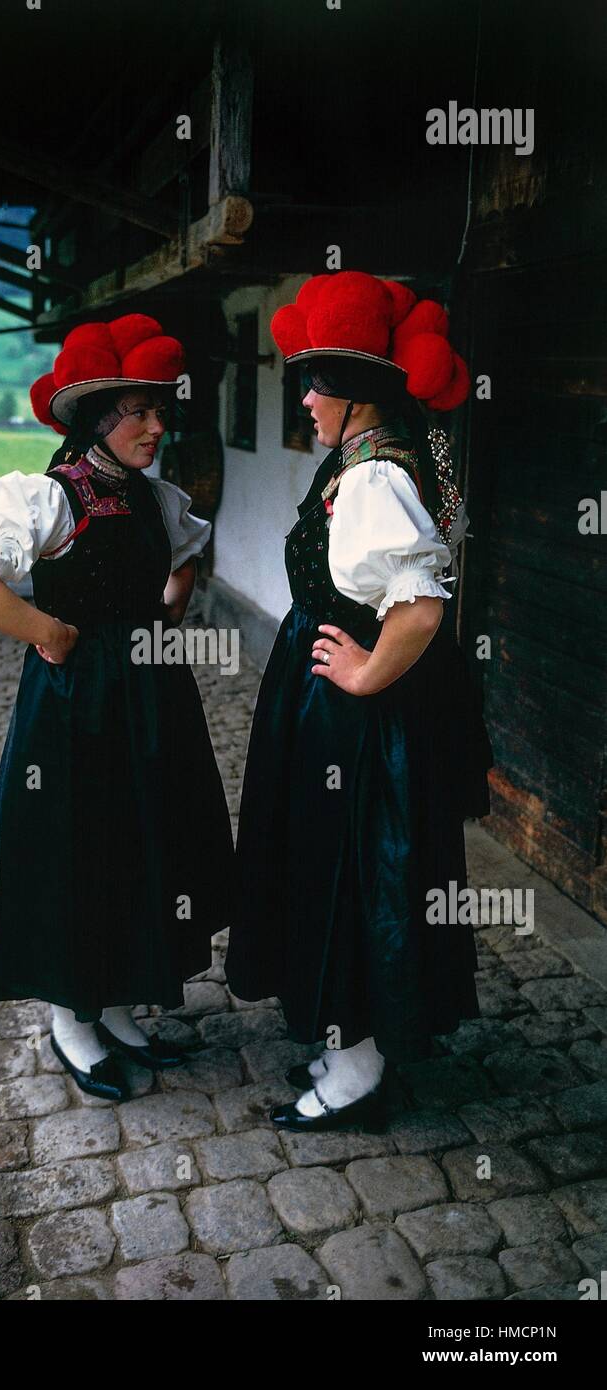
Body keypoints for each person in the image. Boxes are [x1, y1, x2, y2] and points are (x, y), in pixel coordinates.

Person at [0, 313, 234, 1102]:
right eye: (138, 412)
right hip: (74, 705)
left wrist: (164, 613)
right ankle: (72, 1015)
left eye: (159, 410)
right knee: (78, 843)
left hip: (150, 693)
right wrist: (48, 632)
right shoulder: (48, 498)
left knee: (143, 837)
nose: (156, 425)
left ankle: (115, 1003)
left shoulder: (151, 497)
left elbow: (181, 565)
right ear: (98, 421)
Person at [223, 270, 494, 1132]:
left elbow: (418, 604)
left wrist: (363, 674)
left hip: (356, 723)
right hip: (340, 711)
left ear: (357, 397)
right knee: (339, 866)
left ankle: (355, 1073)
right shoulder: (370, 457)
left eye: (317, 384)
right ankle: (354, 1047)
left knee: (343, 871)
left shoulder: (374, 478)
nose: (303, 398)